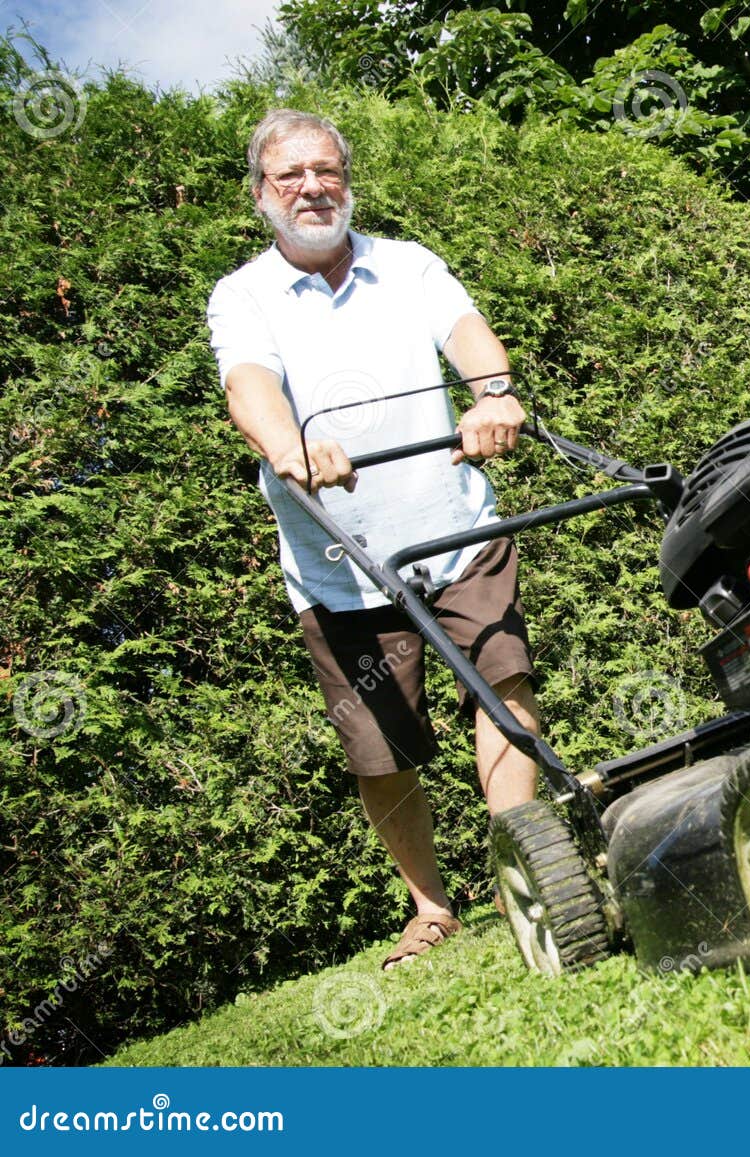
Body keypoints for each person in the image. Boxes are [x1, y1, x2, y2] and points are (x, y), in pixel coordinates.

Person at [207, 109, 540, 969]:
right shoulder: (242, 295)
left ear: (348, 180)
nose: (314, 187)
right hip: (337, 561)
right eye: (292, 176)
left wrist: (495, 393)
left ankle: (525, 870)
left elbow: (467, 336)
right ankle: (431, 907)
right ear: (261, 196)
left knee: (503, 686)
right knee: (379, 747)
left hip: (455, 524)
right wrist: (289, 447)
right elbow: (249, 384)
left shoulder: (408, 264)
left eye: (328, 170)